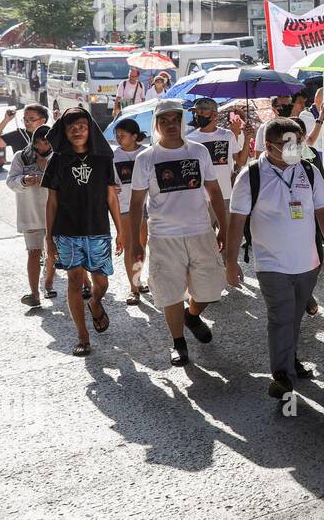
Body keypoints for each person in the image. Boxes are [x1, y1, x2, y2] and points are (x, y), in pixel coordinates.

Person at [226, 117, 324, 400]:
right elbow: (236, 221)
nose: (295, 148)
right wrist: (230, 261)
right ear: (269, 146)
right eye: (287, 144)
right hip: (271, 264)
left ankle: (289, 360)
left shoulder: (310, 172)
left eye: (298, 143)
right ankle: (283, 376)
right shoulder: (250, 176)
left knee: (294, 317)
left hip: (307, 263)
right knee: (281, 317)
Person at [127, 99, 230, 367]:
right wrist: (135, 243)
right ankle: (178, 343)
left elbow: (215, 191)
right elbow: (137, 203)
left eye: (175, 120)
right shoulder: (146, 158)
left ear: (182, 122)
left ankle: (192, 315)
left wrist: (224, 228)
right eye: (164, 121)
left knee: (211, 290)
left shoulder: (198, 152)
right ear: (157, 125)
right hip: (163, 236)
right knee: (171, 292)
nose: (171, 125)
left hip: (200, 231)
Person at [42, 108, 124, 358]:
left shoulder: (102, 158)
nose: (77, 131)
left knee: (101, 282)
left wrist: (120, 230)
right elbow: (52, 201)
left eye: (82, 126)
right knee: (75, 282)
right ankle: (82, 335)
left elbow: (111, 196)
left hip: (98, 229)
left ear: (90, 130)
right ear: (64, 132)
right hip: (66, 231)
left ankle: (95, 302)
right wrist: (49, 237)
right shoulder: (57, 160)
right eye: (71, 127)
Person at [7, 124, 53, 308]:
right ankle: (35, 293)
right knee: (34, 253)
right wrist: (24, 180)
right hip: (31, 213)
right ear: (33, 142)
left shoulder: (59, 157)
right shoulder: (22, 157)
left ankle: (48, 284)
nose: (43, 145)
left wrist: (46, 176)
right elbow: (11, 181)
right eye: (40, 141)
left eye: (47, 140)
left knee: (54, 253)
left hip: (55, 213)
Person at [185, 97, 247, 227]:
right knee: (205, 244)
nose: (197, 116)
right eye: (196, 113)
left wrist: (248, 138)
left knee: (227, 240)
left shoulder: (227, 135)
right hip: (200, 199)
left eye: (202, 112)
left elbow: (241, 161)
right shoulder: (189, 139)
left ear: (214, 114)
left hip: (225, 195)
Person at [111, 118, 149, 305]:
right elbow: (108, 181)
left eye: (123, 135)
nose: (119, 139)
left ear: (134, 136)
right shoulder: (113, 157)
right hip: (125, 207)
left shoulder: (148, 153)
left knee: (141, 245)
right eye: (117, 136)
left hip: (147, 206)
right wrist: (111, 187)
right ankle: (133, 289)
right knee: (129, 247)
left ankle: (138, 279)